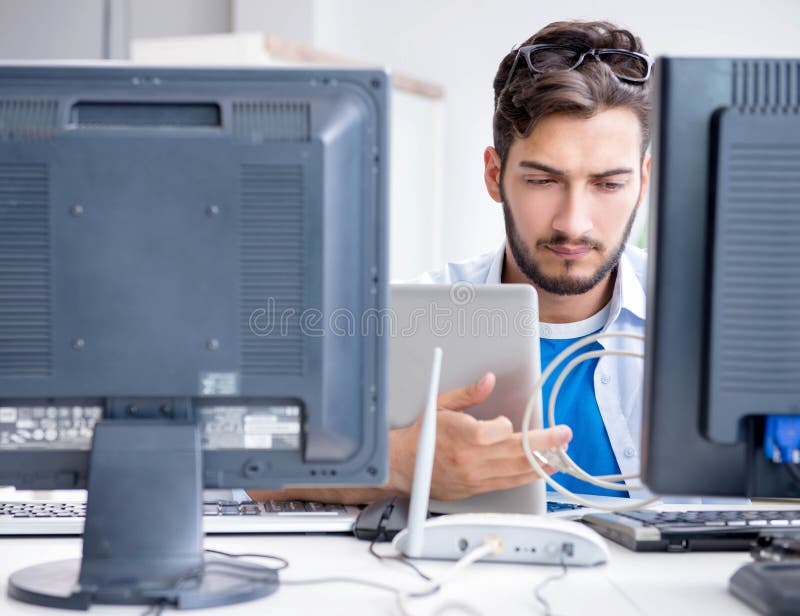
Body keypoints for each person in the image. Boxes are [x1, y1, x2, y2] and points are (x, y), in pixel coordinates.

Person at [248, 19, 652, 505]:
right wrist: (398, 464)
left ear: (642, 182)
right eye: (543, 181)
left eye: (608, 185)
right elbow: (250, 457)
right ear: (494, 174)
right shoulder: (412, 315)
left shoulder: (713, 319)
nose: (574, 223)